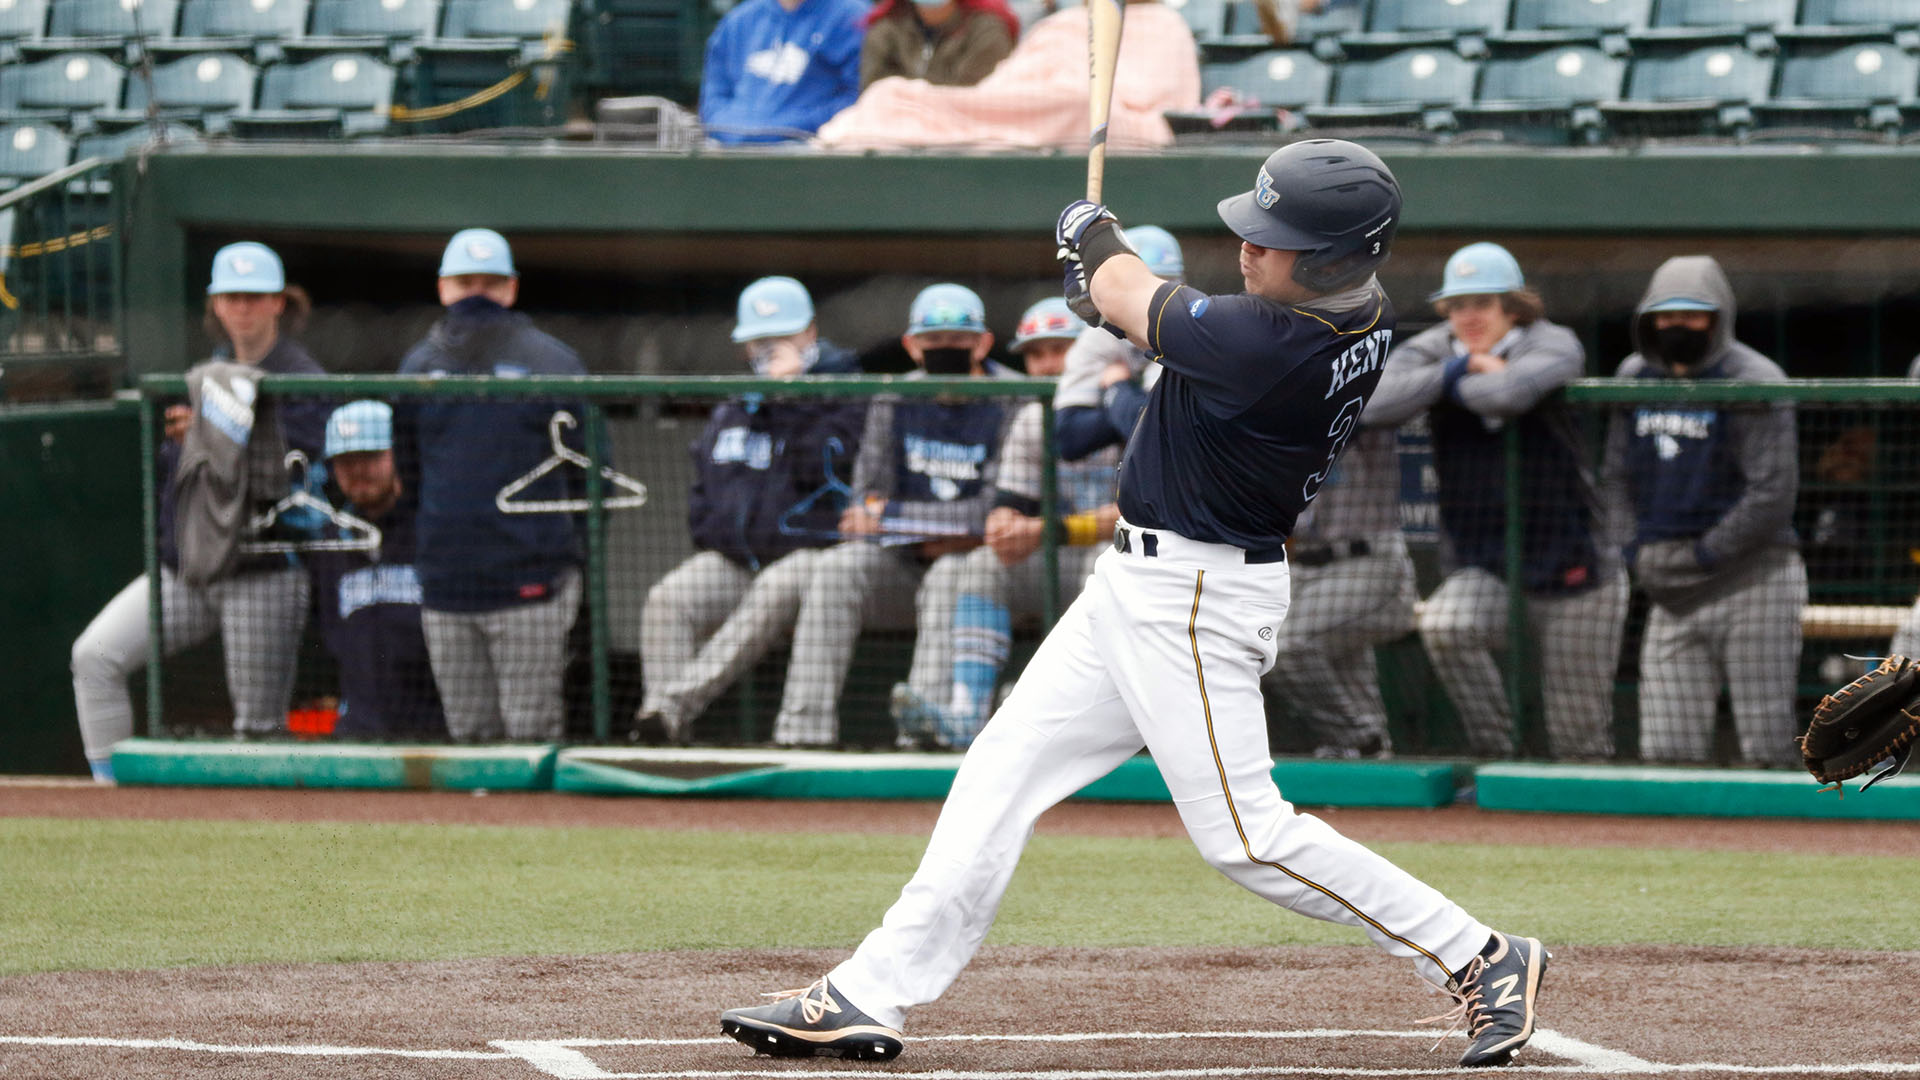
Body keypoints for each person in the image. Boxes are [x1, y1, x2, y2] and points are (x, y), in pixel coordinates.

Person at [719, 140, 1549, 1071]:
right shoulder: (1346, 312)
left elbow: (1134, 292)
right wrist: (1120, 308)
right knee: (1000, 771)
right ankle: (871, 991)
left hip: (1193, 599)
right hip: (1139, 583)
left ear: (1328, 259)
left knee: (1245, 836)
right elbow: (1157, 324)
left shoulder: (1271, 342)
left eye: (1270, 240)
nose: (1246, 247)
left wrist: (1090, 236)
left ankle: (1477, 953)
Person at [70, 242, 328, 782]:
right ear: (215, 304)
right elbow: (178, 475)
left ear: (278, 302)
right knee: (95, 656)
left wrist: (223, 434)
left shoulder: (302, 374)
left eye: (254, 297)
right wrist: (194, 442)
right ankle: (111, 800)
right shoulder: (204, 373)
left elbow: (300, 470)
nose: (242, 308)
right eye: (231, 297)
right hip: (190, 569)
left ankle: (262, 838)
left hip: (263, 570)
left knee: (256, 728)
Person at [1364, 242, 1625, 761]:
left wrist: (1441, 386)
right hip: (1489, 564)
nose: (1468, 316)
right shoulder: (1442, 348)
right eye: (1457, 305)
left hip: (1577, 566)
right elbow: (1372, 401)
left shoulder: (1554, 341)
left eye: (1481, 303)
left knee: (1579, 737)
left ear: (1512, 305)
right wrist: (1457, 372)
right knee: (1444, 625)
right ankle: (1497, 752)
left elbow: (1506, 395)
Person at [768, 283, 1019, 746]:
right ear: (912, 346)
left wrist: (897, 515)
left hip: (978, 568)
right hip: (902, 566)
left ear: (982, 343)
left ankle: (920, 733)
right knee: (838, 566)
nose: (945, 351)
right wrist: (912, 522)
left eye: (957, 343)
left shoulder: (1013, 399)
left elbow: (992, 509)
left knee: (950, 569)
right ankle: (803, 733)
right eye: (934, 342)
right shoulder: (896, 396)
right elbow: (863, 502)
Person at [633, 277, 867, 746]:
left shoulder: (847, 389)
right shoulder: (738, 401)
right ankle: (669, 735)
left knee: (775, 585)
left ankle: (670, 707)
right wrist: (709, 530)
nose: (769, 349)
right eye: (760, 340)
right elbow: (704, 476)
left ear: (810, 332)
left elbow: (824, 467)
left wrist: (793, 397)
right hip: (740, 558)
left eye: (782, 336)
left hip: (814, 555)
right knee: (669, 600)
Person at [1600, 255, 1804, 767]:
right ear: (1649, 320)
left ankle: (1783, 845)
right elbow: (1615, 477)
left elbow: (1772, 492)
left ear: (1718, 318)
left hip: (1754, 579)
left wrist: (1706, 553)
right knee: (1667, 747)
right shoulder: (1636, 374)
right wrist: (1634, 549)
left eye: (1691, 315)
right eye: (1666, 316)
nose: (1677, 326)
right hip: (1671, 588)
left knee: (1765, 743)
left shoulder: (1755, 376)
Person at [889, 297, 1116, 749]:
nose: (1048, 364)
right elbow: (1009, 502)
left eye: (1060, 349)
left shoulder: (1128, 409)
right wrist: (1003, 525)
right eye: (1035, 353)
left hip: (1120, 567)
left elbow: (1139, 517)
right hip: (1056, 561)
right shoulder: (1033, 416)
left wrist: (1043, 532)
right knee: (982, 563)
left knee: (1106, 561)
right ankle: (966, 717)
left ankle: (1062, 706)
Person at [396, 229, 586, 743]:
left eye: (490, 282)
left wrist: (565, 558)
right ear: (442, 288)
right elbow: (408, 473)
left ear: (512, 289)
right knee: (470, 739)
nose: (477, 293)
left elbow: (586, 473)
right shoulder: (419, 366)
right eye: (464, 282)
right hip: (447, 585)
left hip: (530, 584)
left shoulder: (552, 362)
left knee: (530, 735)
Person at [815, 0, 1198, 151]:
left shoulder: (1166, 24)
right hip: (1007, 102)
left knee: (1082, 104)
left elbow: (1154, 96)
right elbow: (1003, 84)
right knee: (890, 95)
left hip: (1075, 103)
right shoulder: (1063, 22)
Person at [1263, 421, 1416, 758]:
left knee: (1284, 646)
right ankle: (1370, 752)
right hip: (1300, 566)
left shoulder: (1354, 383)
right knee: (1338, 658)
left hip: (1367, 561)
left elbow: (1388, 396)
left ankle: (1359, 739)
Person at [305, 400, 446, 740]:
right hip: (357, 731)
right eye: (345, 461)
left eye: (370, 456)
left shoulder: (431, 529)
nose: (358, 470)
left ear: (396, 455)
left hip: (435, 732)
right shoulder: (330, 541)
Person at [1053, 225, 1181, 462]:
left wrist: (1116, 389)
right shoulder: (1098, 337)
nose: (1149, 299)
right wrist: (1136, 408)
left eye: (1162, 286)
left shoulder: (1187, 331)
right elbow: (1069, 438)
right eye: (1135, 287)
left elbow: (1160, 434)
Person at [698, 0, 866, 144]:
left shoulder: (854, 17)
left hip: (813, 157)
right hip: (731, 157)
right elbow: (713, 99)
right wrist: (736, 130)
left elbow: (862, 98)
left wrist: (786, 128)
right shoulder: (738, 21)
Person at [858, 0, 1016, 90]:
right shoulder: (886, 29)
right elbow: (872, 92)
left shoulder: (987, 30)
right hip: (892, 135)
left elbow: (978, 96)